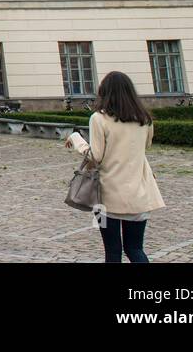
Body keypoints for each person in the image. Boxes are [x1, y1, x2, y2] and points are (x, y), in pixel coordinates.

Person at [66, 71, 165, 263]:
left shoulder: (99, 118)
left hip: (103, 199)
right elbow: (146, 146)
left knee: (112, 252)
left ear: (104, 92)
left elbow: (96, 156)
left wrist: (76, 138)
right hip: (139, 195)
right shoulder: (144, 119)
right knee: (135, 249)